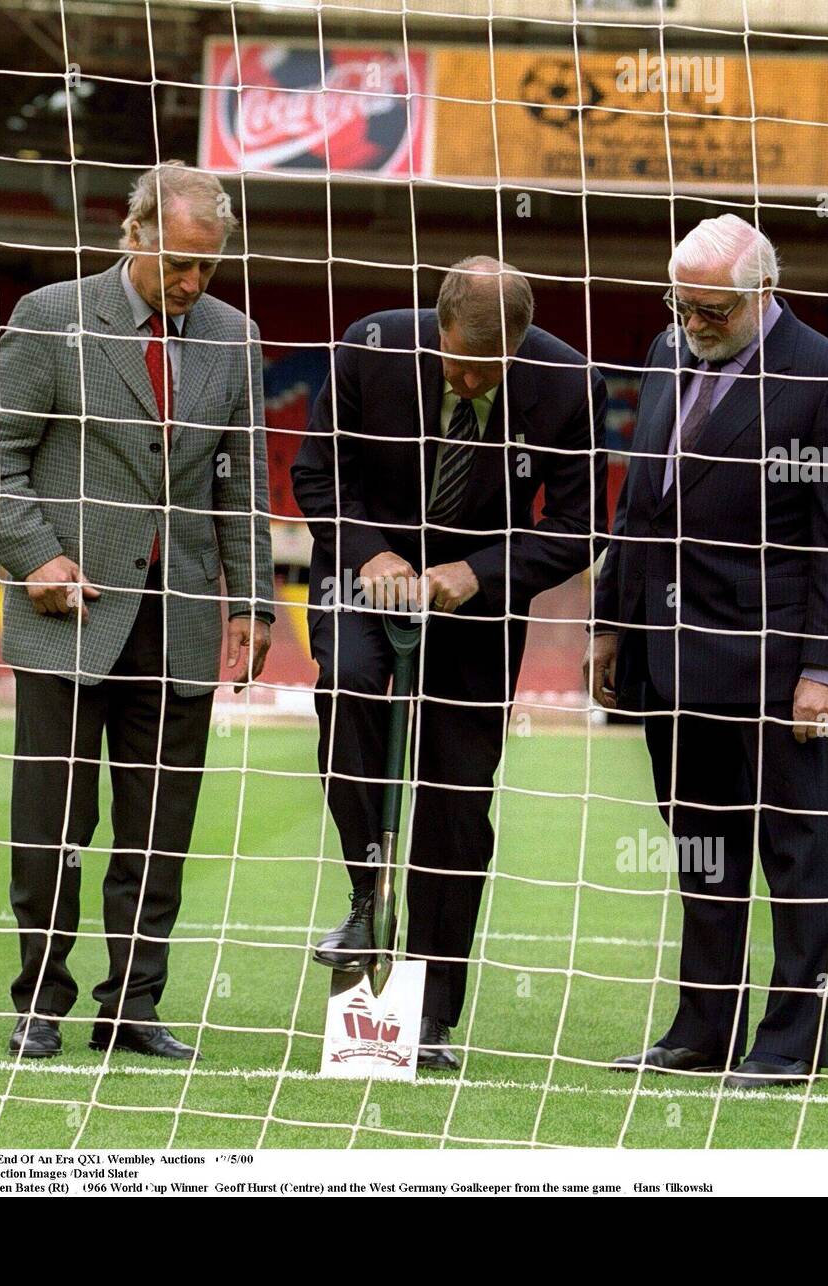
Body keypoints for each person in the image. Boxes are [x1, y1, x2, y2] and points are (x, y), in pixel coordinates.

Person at [0, 161, 273, 1060]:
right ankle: (41, 1002)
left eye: (206, 269)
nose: (189, 283)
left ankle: (133, 1006)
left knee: (159, 829)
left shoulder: (234, 337)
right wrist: (36, 557)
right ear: (133, 233)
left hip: (177, 620)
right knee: (53, 824)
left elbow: (242, 484)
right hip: (68, 612)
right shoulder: (51, 317)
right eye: (176, 262)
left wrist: (251, 599)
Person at [588, 214, 828, 1089]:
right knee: (700, 847)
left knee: (793, 855)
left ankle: (792, 1042)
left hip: (771, 658)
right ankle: (701, 1028)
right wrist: (612, 618)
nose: (695, 322)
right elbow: (642, 498)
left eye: (712, 309)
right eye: (684, 304)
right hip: (669, 651)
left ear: (761, 292)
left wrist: (827, 667)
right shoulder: (667, 348)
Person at [293, 256, 607, 1069]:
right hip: (365, 575)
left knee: (458, 806)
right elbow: (317, 475)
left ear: (521, 343)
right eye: (459, 360)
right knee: (354, 685)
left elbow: (577, 527)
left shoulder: (568, 383)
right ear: (437, 330)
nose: (469, 379)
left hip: (478, 601)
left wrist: (479, 573)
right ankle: (368, 891)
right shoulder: (370, 348)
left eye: (489, 367)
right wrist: (373, 554)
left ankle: (424, 1012)